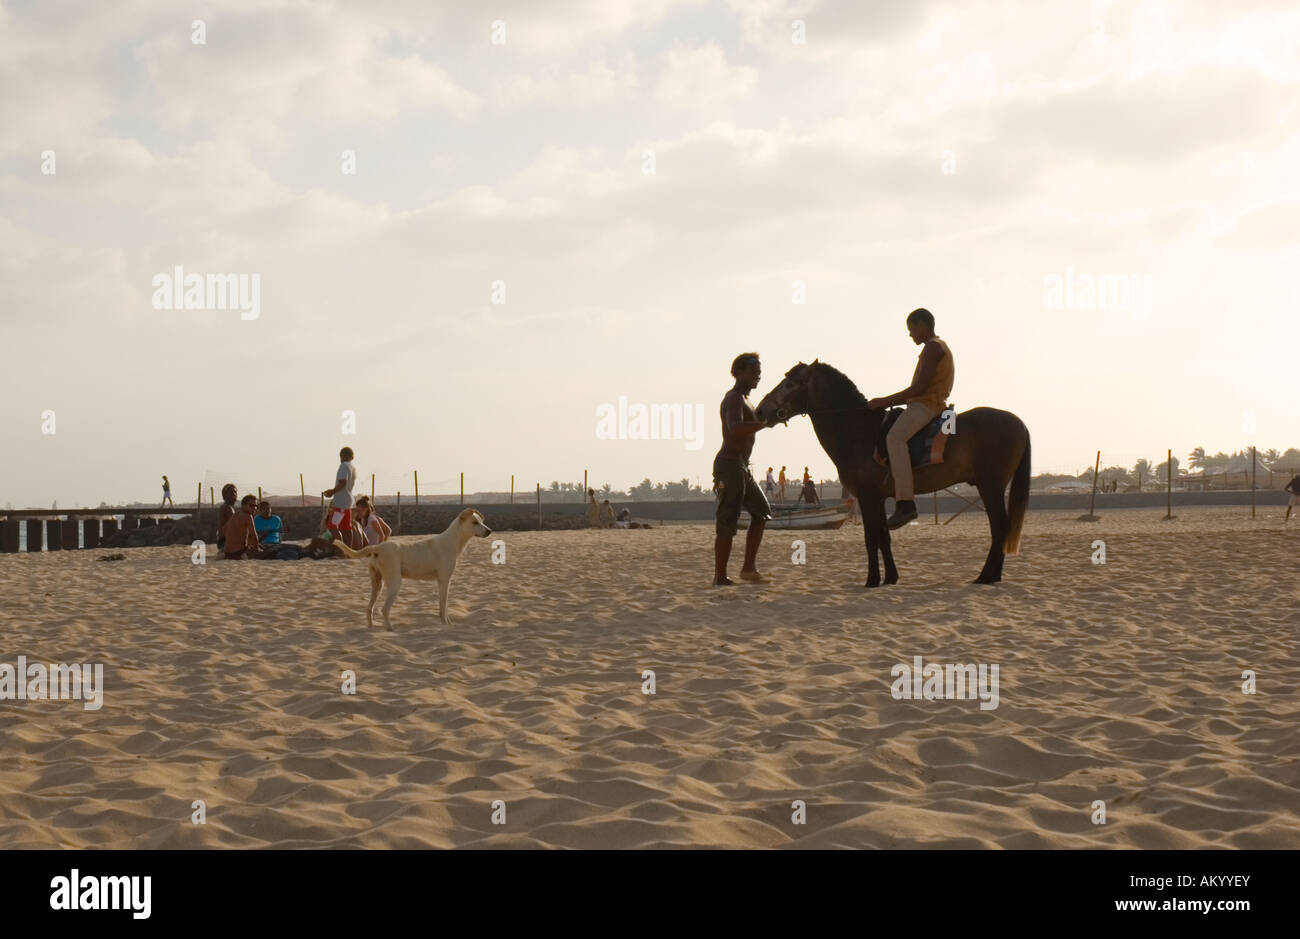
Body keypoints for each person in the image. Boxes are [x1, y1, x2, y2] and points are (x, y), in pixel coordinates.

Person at [867, 308, 955, 529]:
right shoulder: (937, 346)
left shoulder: (933, 347)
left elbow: (920, 388)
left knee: (894, 439)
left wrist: (885, 401)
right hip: (930, 403)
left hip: (927, 405)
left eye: (911, 329)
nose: (910, 334)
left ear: (922, 325)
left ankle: (905, 503)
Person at [712, 352, 772, 586]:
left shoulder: (747, 400)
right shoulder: (734, 399)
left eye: (759, 372)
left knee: (762, 512)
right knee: (728, 518)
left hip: (742, 467)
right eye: (752, 372)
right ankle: (720, 576)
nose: (757, 376)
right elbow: (734, 427)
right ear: (738, 373)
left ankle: (748, 568)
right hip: (729, 465)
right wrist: (762, 423)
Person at [322, 446, 360, 549]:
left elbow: (343, 482)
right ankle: (348, 550)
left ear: (342, 456)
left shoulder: (344, 466)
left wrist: (332, 491)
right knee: (346, 528)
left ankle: (340, 550)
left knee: (332, 527)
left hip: (341, 502)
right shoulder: (353, 467)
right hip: (348, 501)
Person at [222, 494, 260, 559]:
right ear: (243, 505)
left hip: (227, 553)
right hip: (240, 551)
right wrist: (256, 549)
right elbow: (254, 535)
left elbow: (224, 529)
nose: (254, 508)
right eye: (251, 505)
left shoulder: (235, 515)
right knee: (266, 551)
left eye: (256, 506)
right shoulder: (248, 516)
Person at [215, 483, 238, 551]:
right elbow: (237, 524)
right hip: (225, 542)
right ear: (224, 495)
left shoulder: (229, 507)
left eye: (235, 492)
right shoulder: (226, 507)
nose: (234, 494)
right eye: (231, 492)